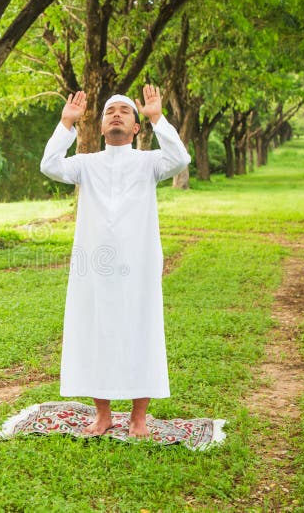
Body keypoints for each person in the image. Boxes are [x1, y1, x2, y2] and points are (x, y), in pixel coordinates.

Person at [40, 85, 191, 438]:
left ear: (136, 128)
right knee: (96, 332)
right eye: (111, 112)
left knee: (141, 330)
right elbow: (49, 165)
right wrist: (66, 123)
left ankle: (138, 417)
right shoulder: (86, 164)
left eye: (125, 111)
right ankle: (103, 415)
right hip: (94, 268)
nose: (118, 115)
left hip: (139, 265)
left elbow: (181, 159)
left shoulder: (150, 162)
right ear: (102, 127)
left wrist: (158, 116)